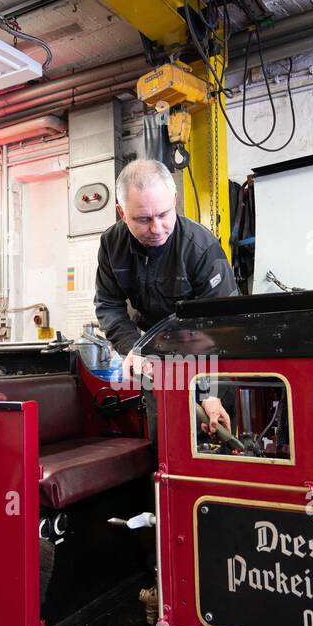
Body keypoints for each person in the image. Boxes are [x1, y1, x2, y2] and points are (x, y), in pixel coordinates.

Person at [94, 158, 237, 435]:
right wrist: (135, 349)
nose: (157, 229)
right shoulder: (112, 246)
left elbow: (221, 326)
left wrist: (210, 391)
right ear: (122, 213)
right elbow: (109, 305)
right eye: (143, 219)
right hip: (155, 357)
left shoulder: (201, 248)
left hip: (209, 355)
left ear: (174, 199)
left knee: (216, 437)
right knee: (167, 440)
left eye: (163, 214)